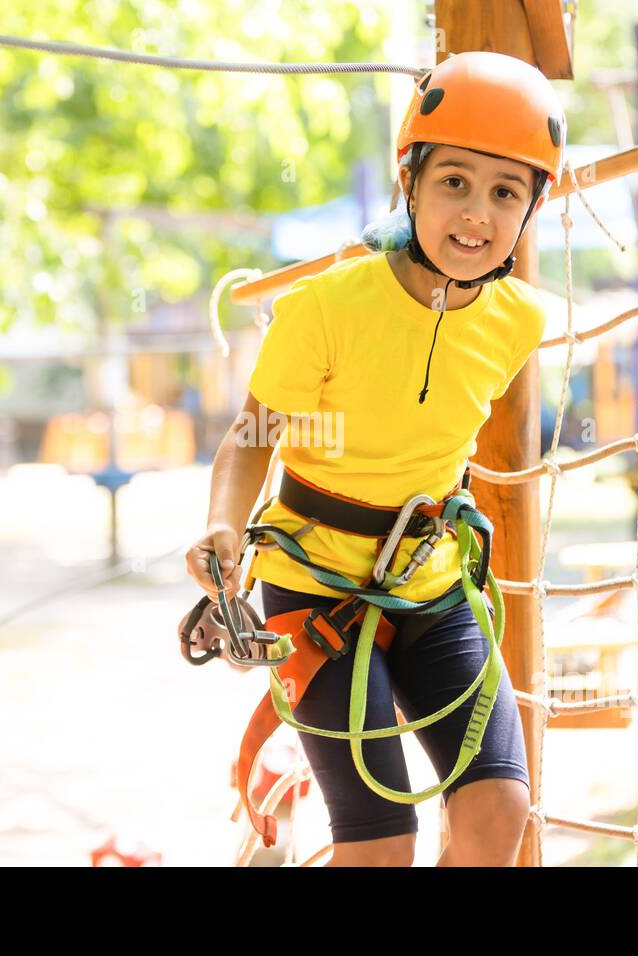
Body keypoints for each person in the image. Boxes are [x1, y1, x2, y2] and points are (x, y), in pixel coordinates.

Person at [186, 52, 565, 866]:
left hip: (427, 580)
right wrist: (222, 526)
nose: (477, 213)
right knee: (381, 840)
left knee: (500, 809)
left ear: (532, 207)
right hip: (315, 583)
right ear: (411, 183)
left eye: (507, 191)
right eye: (455, 182)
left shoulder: (520, 320)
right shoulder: (324, 306)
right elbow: (251, 438)